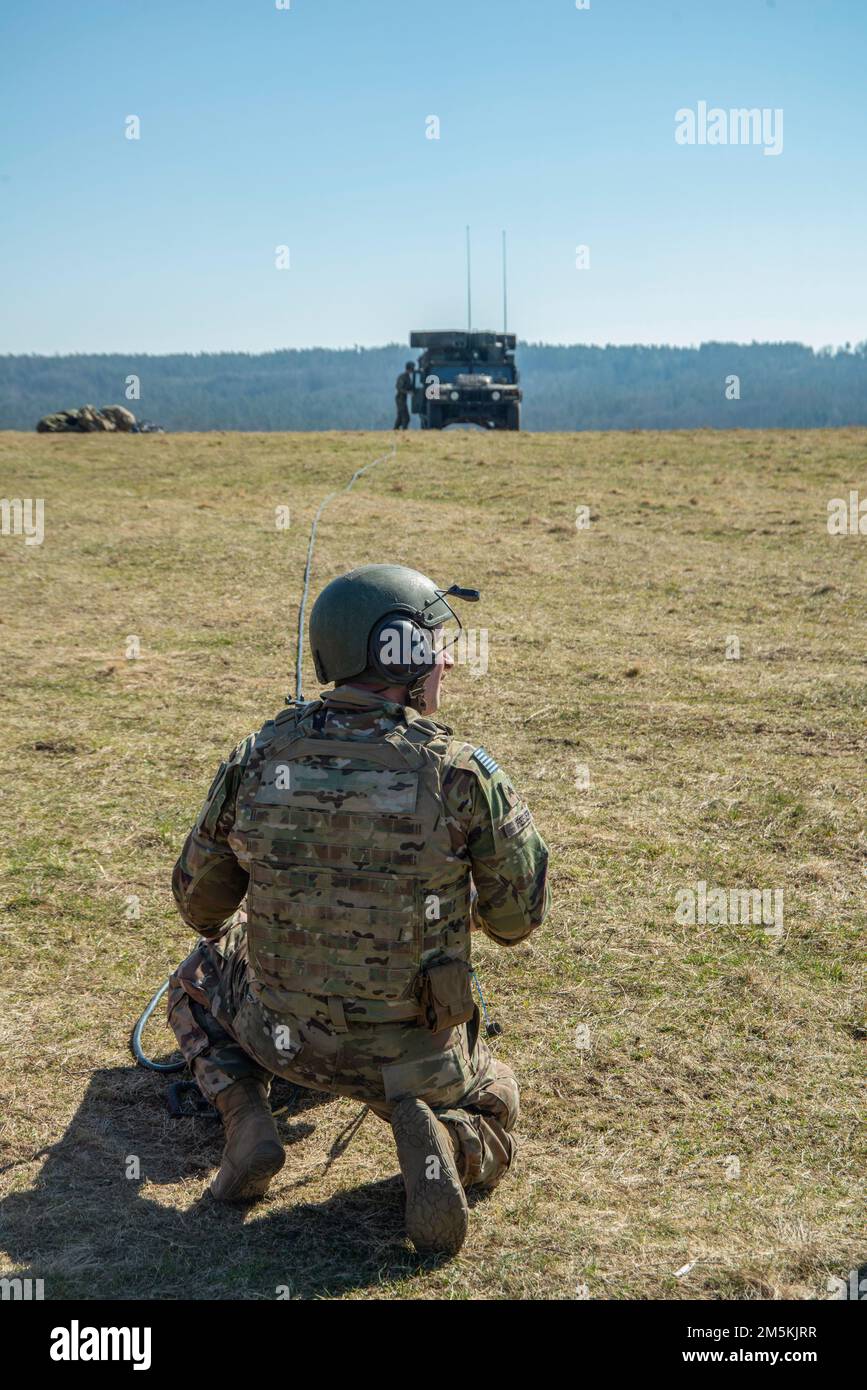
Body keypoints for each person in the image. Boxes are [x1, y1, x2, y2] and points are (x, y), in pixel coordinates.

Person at [167, 564, 550, 1255]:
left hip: (277, 1036)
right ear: (398, 651)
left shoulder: (256, 756)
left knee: (193, 983)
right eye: (436, 644)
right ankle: (451, 1138)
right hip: (411, 1059)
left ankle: (246, 1116)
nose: (449, 659)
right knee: (499, 1099)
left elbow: (200, 908)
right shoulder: (461, 772)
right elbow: (516, 923)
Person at [393, 362, 414, 430]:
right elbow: (399, 388)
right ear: (409, 368)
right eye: (412, 368)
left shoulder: (408, 377)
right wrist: (408, 392)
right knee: (405, 417)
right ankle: (404, 431)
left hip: (403, 399)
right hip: (400, 399)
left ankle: (395, 430)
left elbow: (410, 387)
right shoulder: (402, 377)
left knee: (400, 418)